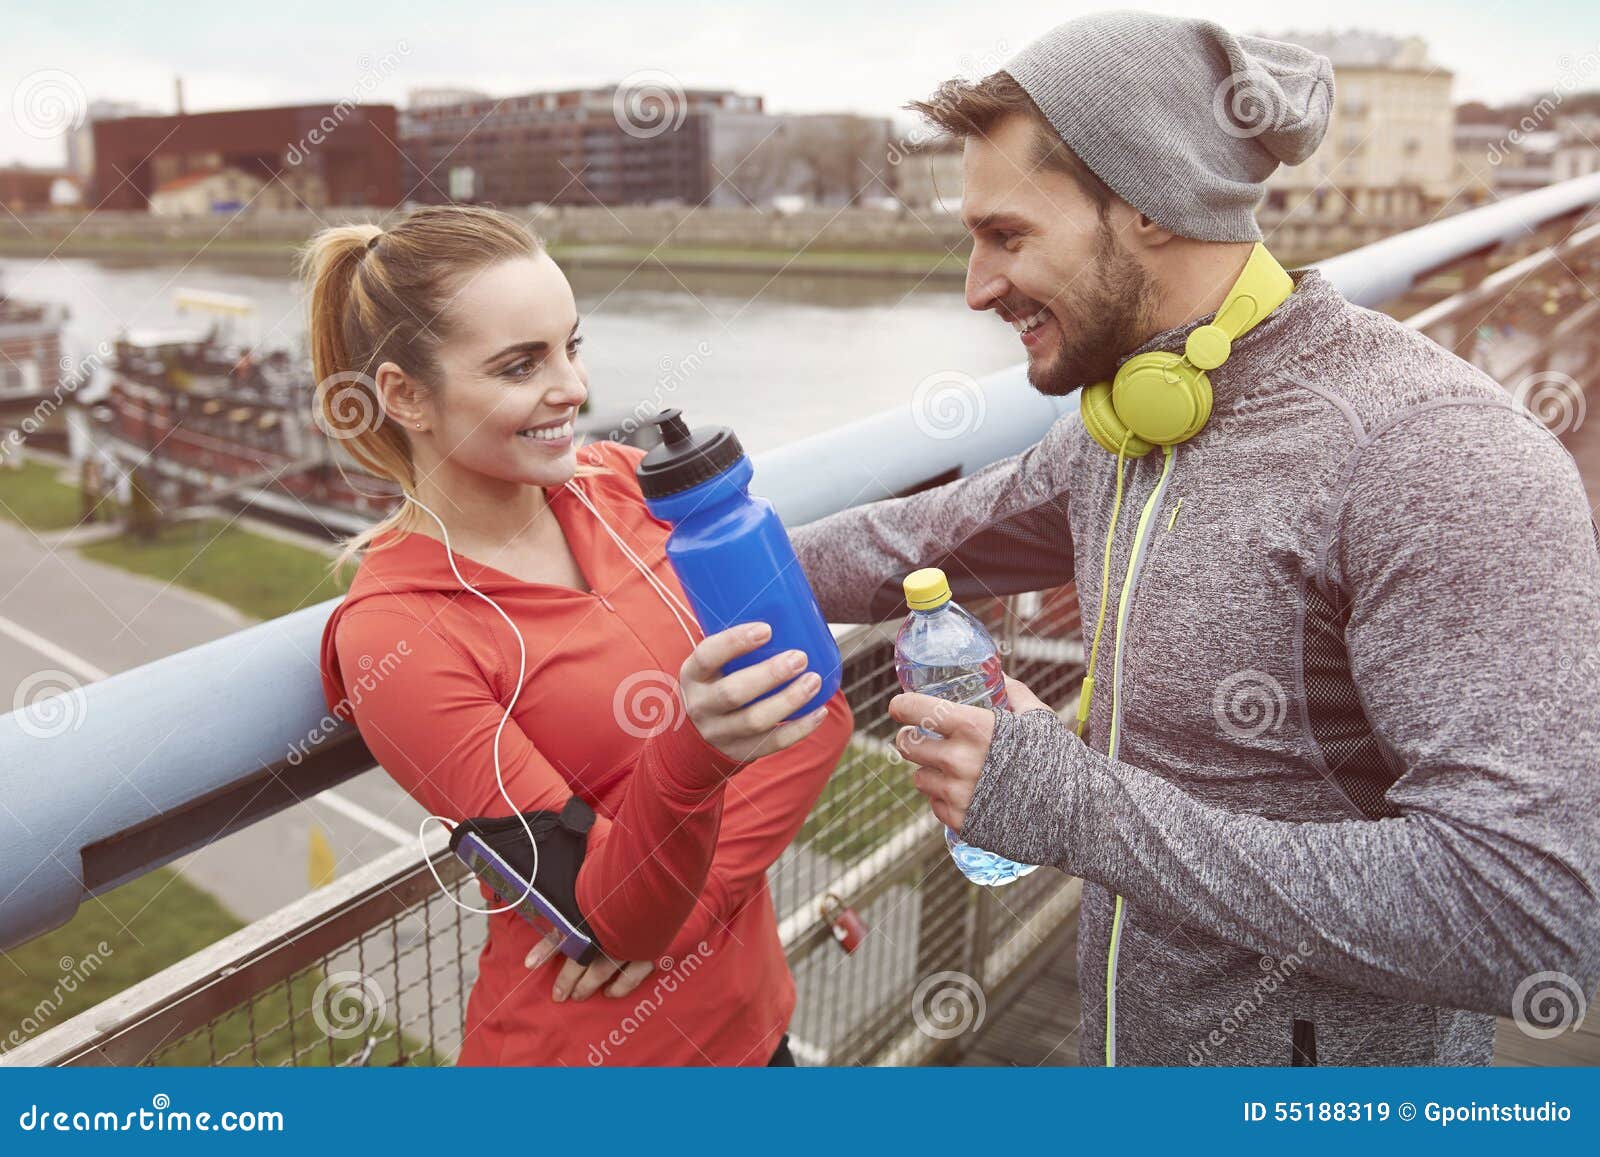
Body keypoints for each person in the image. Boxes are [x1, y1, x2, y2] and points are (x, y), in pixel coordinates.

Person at [791, 12, 1600, 1066]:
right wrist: (641, 538)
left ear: (1146, 207)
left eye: (1006, 234)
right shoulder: (1137, 412)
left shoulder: (1432, 455)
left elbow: (1530, 914)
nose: (975, 286)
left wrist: (1072, 806)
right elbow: (913, 540)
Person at [308, 204, 853, 1066]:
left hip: (753, 1027)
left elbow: (817, 710)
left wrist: (673, 915)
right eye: (521, 364)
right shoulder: (395, 636)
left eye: (572, 344)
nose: (573, 389)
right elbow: (608, 913)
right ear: (405, 394)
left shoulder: (634, 484)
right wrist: (700, 752)